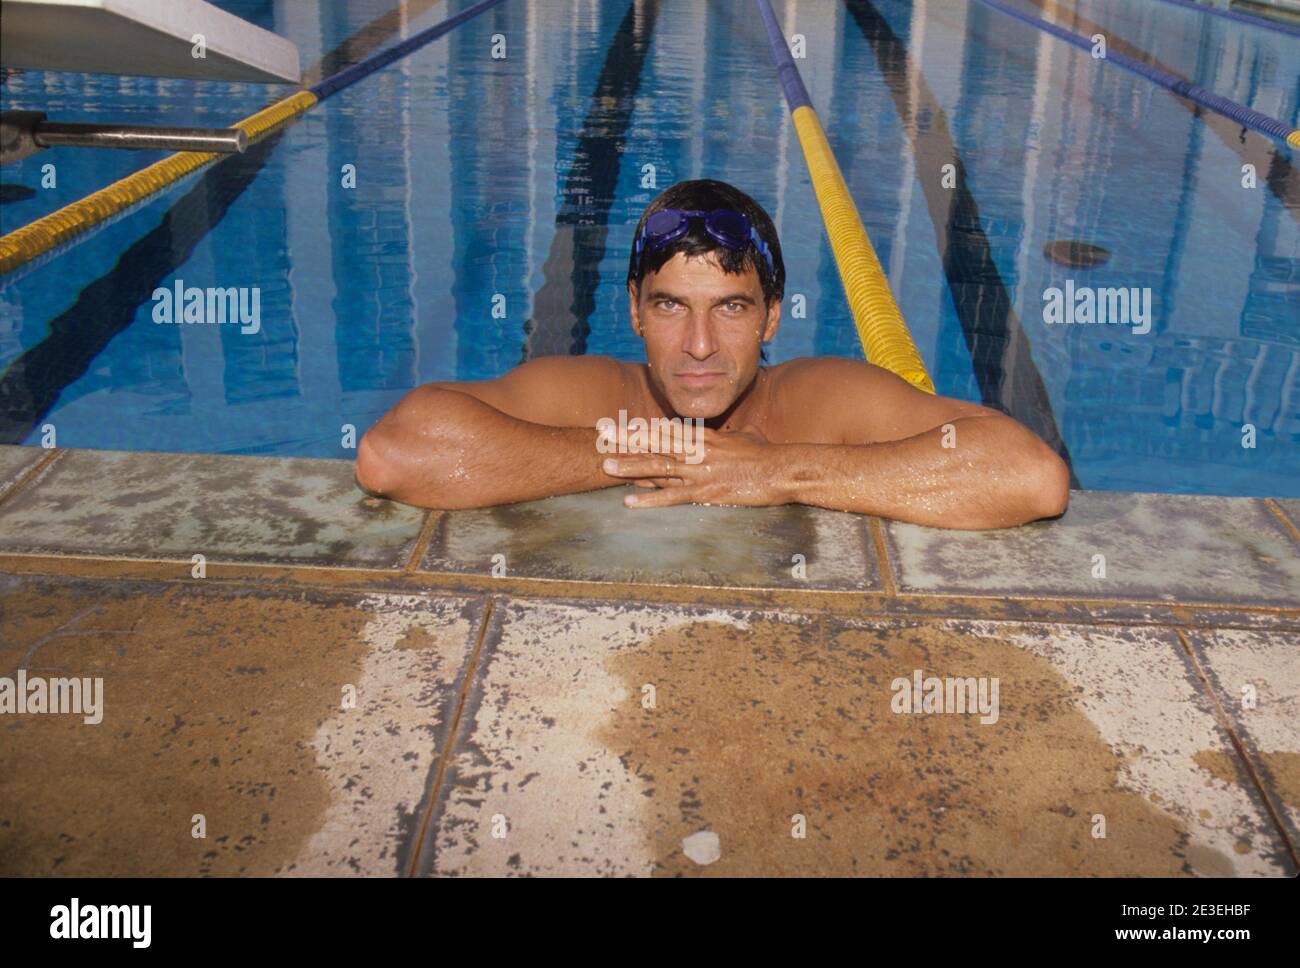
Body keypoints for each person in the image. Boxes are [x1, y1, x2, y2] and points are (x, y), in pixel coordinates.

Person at [355, 179, 1069, 529]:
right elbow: (395, 454)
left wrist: (778, 468)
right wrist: (657, 451)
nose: (699, 346)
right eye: (671, 306)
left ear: (770, 318)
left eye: (731, 308)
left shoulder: (819, 398)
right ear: (635, 309)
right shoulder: (585, 393)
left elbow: (1031, 475)